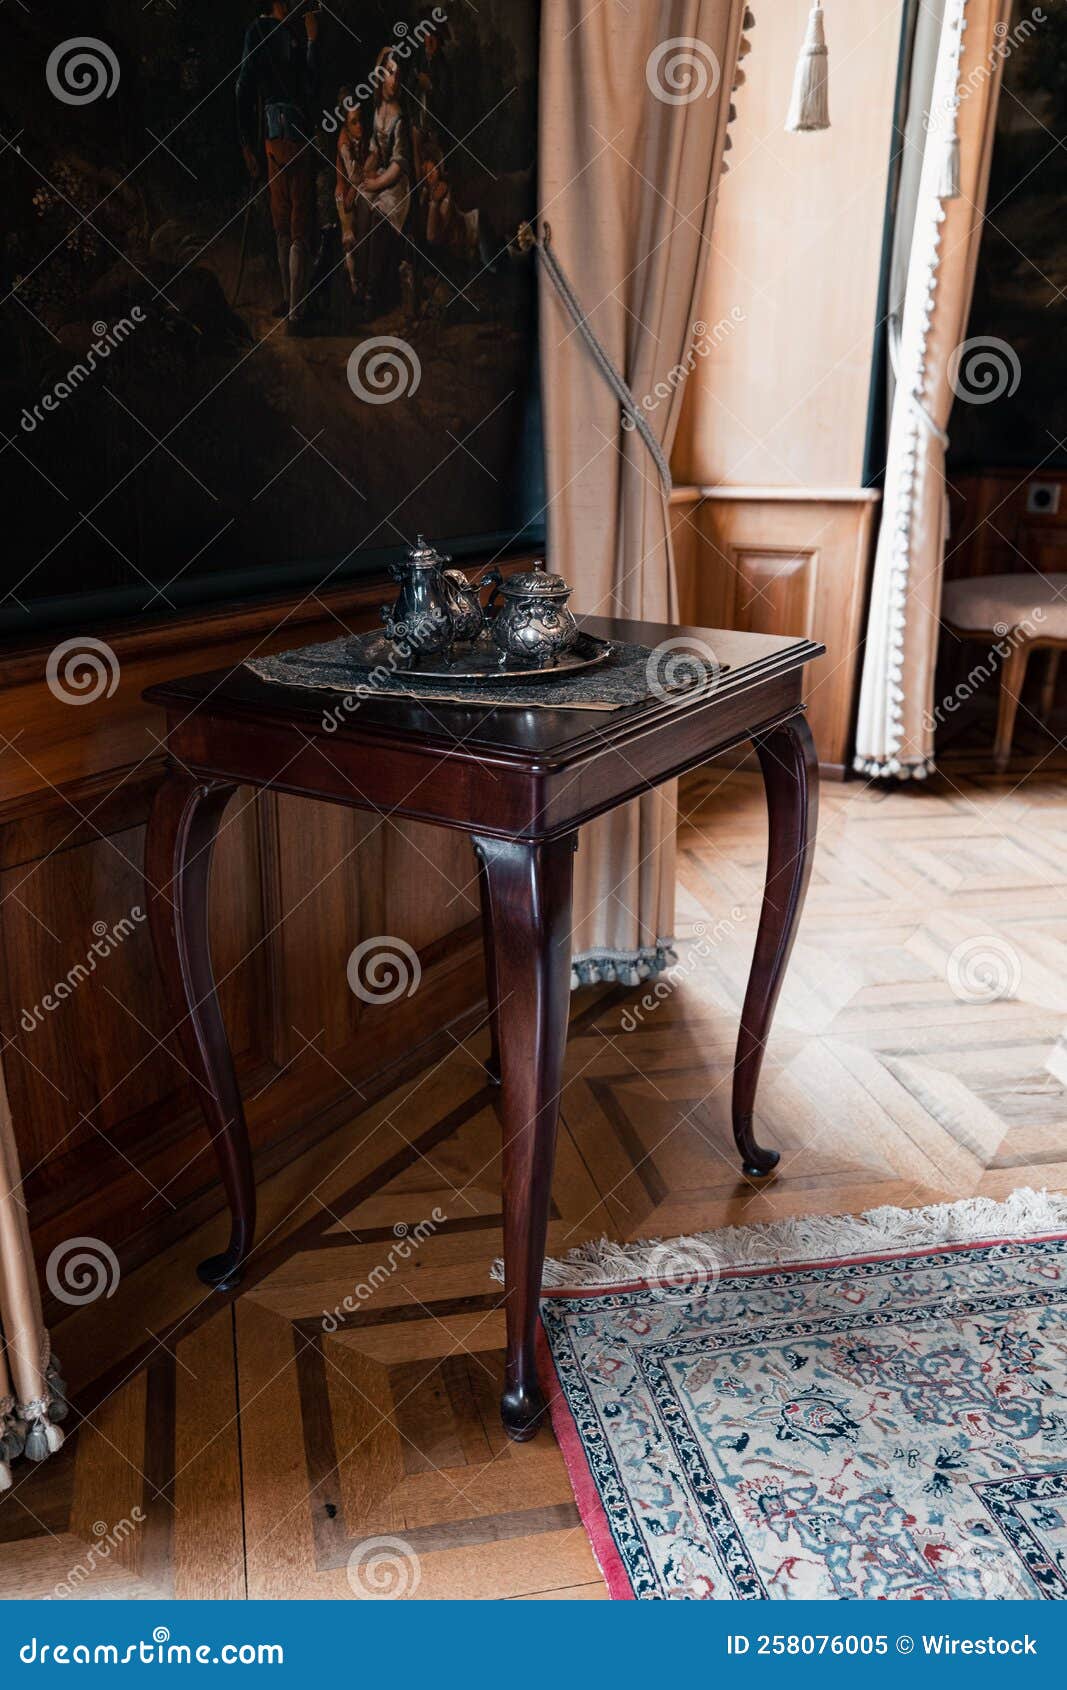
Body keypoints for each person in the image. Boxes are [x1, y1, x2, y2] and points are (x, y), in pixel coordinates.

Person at [236, 2, 321, 335]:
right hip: (295, 137)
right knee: (297, 223)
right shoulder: (289, 32)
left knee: (282, 221)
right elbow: (311, 88)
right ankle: (296, 314)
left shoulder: (258, 31)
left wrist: (247, 144)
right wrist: (313, 42)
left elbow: (243, 87)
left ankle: (290, 302)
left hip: (273, 137)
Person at [350, 48, 413, 317]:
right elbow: (376, 150)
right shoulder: (378, 111)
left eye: (397, 75)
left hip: (398, 185)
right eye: (389, 73)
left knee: (378, 212)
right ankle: (361, 287)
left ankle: (375, 294)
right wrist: (364, 174)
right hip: (382, 176)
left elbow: (399, 165)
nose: (393, 80)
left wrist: (375, 184)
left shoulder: (400, 116)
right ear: (380, 76)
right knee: (362, 203)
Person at [335, 102, 367, 299]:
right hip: (345, 193)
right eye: (354, 122)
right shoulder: (345, 145)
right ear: (346, 125)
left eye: (360, 121)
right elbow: (354, 175)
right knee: (349, 240)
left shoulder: (358, 139)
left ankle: (359, 284)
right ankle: (354, 286)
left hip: (354, 191)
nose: (359, 126)